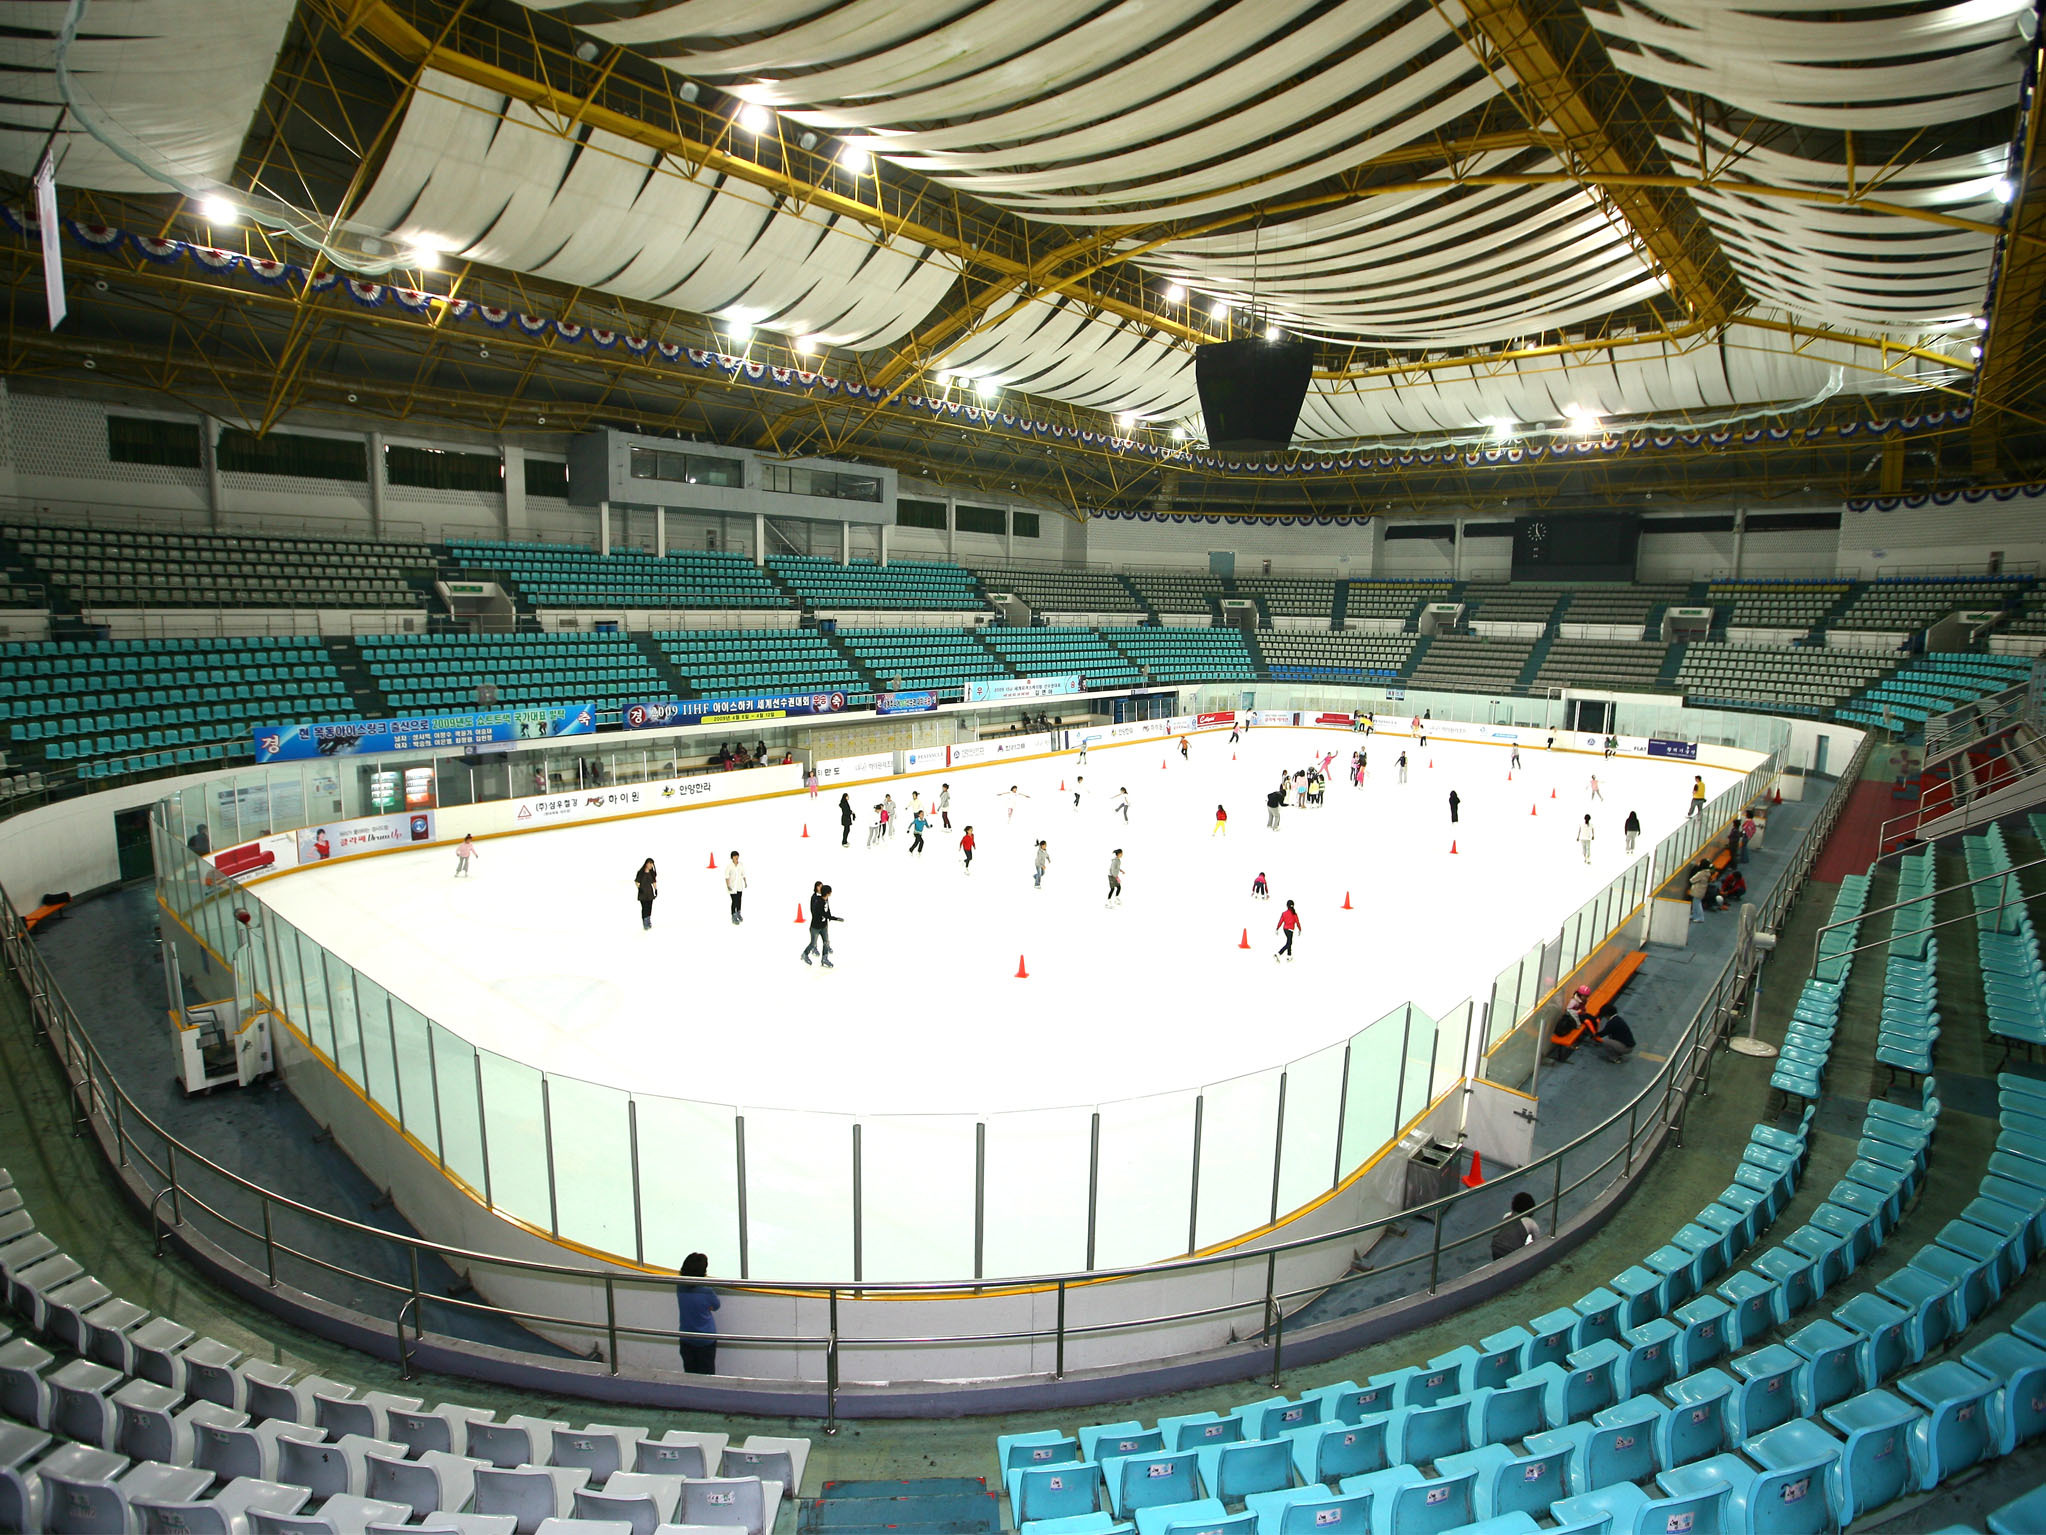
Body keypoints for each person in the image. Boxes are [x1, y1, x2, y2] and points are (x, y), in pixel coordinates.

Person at [676, 1253, 720, 1374]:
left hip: (686, 1337)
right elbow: (716, 1306)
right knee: (707, 1374)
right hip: (706, 1339)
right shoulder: (707, 1291)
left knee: (690, 1372)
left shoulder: (680, 1286)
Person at [801, 883, 841, 967]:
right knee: (813, 944)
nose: (831, 893)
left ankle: (824, 959)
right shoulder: (818, 903)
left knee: (826, 942)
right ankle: (805, 954)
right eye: (830, 892)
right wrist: (835, 918)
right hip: (815, 927)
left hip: (824, 926)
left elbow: (827, 909)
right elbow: (824, 914)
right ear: (827, 893)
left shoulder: (825, 899)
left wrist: (829, 917)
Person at [1491, 1192, 1540, 1259]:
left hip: (1495, 1245)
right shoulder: (1530, 1222)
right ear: (1531, 1209)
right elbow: (1537, 1243)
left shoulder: (1507, 1215)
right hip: (1511, 1250)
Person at [634, 857, 657, 929]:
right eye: (650, 864)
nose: (651, 865)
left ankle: (648, 921)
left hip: (650, 892)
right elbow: (637, 881)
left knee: (649, 907)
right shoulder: (640, 873)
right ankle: (645, 923)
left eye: (652, 864)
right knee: (644, 907)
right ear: (646, 863)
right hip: (643, 892)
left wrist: (655, 889)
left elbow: (654, 882)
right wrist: (639, 888)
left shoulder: (652, 873)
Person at [724, 852, 746, 924]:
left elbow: (743, 874)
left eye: (737, 855)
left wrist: (745, 882)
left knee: (739, 900)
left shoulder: (741, 865)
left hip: (739, 886)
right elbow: (726, 876)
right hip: (732, 887)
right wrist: (728, 886)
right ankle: (733, 915)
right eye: (735, 856)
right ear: (732, 857)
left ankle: (738, 913)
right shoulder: (729, 866)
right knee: (734, 901)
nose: (736, 857)